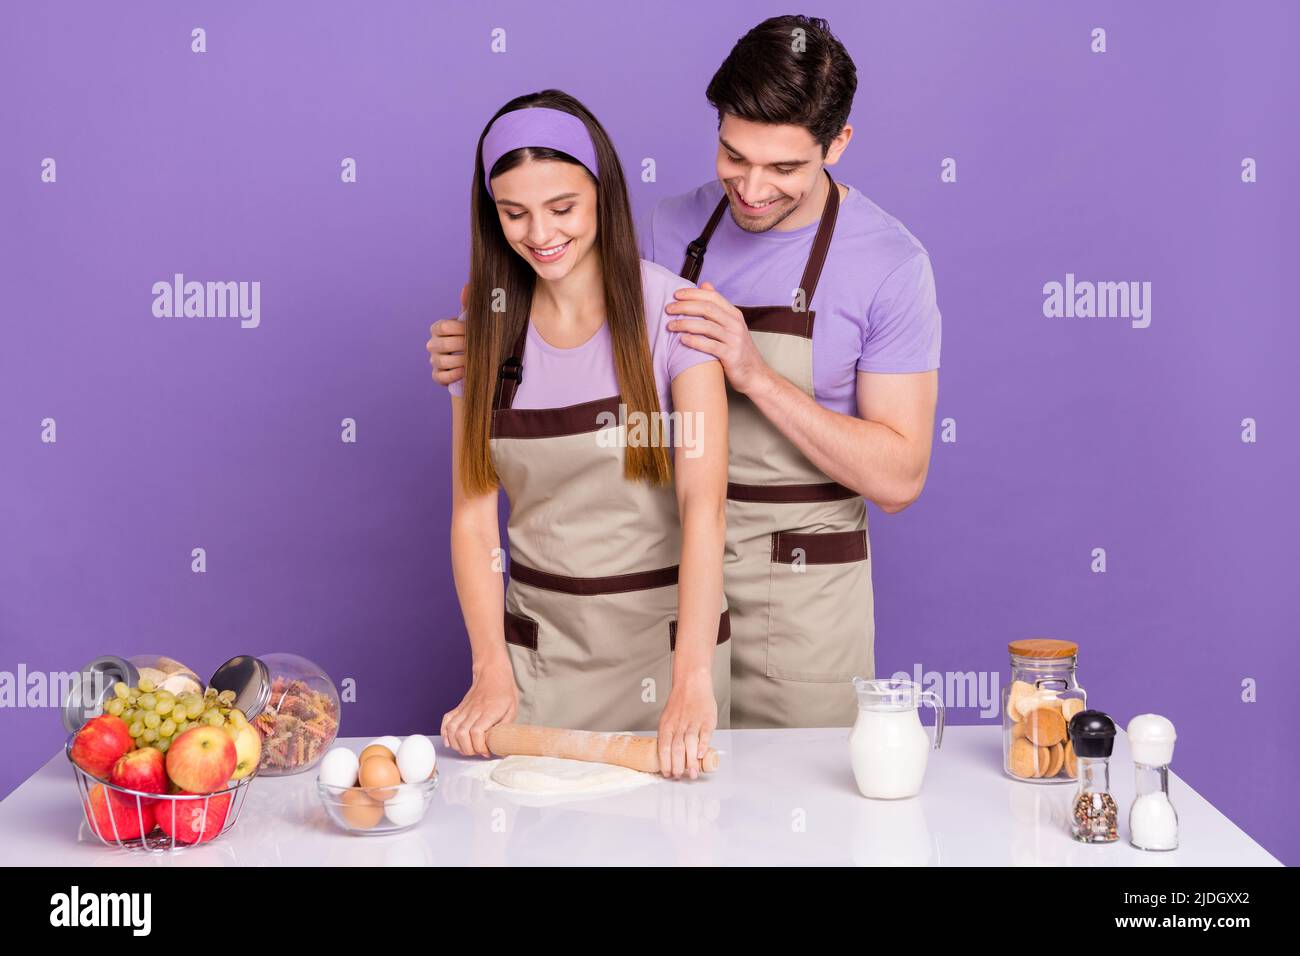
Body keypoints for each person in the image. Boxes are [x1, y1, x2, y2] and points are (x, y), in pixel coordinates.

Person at [430, 17, 940, 729]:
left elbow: (899, 478)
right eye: (734, 155)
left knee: (796, 819)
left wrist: (757, 374)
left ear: (838, 144)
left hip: (799, 597)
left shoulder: (889, 265)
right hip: (664, 585)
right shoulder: (670, 232)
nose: (753, 189)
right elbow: (567, 319)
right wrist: (479, 343)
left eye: (785, 168)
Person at [440, 90, 731, 777]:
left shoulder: (675, 315)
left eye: (563, 208)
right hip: (542, 661)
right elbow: (474, 518)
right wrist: (491, 667)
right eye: (514, 213)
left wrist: (693, 677)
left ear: (604, 194)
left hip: (667, 655)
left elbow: (704, 505)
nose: (540, 233)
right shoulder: (482, 329)